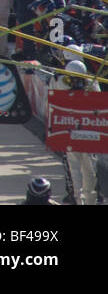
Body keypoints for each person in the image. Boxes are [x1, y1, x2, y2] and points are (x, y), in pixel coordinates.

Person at [52, 59, 101, 205]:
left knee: (89, 171)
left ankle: (88, 200)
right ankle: (80, 200)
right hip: (73, 134)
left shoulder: (92, 83)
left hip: (88, 135)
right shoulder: (61, 83)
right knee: (77, 171)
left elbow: (100, 105)